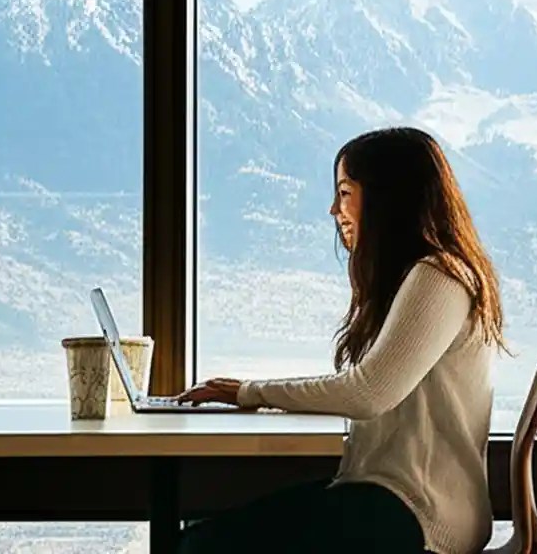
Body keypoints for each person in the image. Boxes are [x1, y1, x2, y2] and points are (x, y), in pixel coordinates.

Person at [175, 127, 507, 554]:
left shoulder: (438, 278)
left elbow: (369, 392)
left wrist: (248, 392)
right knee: (201, 534)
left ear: (387, 197)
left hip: (421, 513)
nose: (334, 209)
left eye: (345, 192)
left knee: (200, 546)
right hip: (390, 497)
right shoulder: (422, 277)